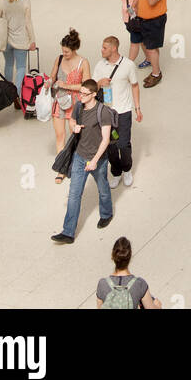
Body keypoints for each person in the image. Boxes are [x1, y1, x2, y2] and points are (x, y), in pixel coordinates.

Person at [50, 80, 114, 243]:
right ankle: (68, 232)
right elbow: (72, 121)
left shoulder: (103, 112)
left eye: (85, 93)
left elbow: (106, 140)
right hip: (79, 156)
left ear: (93, 95)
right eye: (81, 92)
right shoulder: (79, 106)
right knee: (74, 194)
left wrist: (94, 161)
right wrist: (74, 126)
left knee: (103, 188)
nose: (81, 96)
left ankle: (106, 214)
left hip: (97, 159)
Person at [93, 36, 141, 190]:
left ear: (114, 48)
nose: (102, 50)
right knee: (110, 145)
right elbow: (92, 86)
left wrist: (137, 108)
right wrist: (100, 83)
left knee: (123, 144)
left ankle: (127, 169)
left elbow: (134, 85)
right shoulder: (100, 65)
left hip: (124, 111)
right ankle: (116, 172)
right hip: (106, 113)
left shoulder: (128, 65)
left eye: (104, 48)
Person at [50, 29, 91, 170]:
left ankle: (75, 165)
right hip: (60, 101)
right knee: (59, 135)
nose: (64, 54)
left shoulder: (83, 63)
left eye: (67, 52)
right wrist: (49, 82)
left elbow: (86, 86)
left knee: (76, 135)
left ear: (74, 50)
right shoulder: (59, 59)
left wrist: (66, 85)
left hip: (76, 103)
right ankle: (61, 167)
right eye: (63, 51)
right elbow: (53, 76)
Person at [0, 0, 36, 90]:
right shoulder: (26, 1)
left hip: (6, 40)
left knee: (8, 64)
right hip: (21, 40)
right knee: (21, 67)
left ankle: (8, 92)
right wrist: (32, 40)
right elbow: (28, 23)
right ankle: (16, 95)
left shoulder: (2, 1)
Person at [97, 236, 161, 308]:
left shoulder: (102, 284)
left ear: (113, 256)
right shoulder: (139, 284)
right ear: (130, 257)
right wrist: (158, 305)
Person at [136, 0, 166, 87]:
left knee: (152, 48)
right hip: (143, 19)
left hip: (155, 21)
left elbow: (152, 1)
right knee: (146, 44)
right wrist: (133, 8)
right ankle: (153, 66)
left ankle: (156, 73)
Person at [122, 0, 144, 65]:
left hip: (137, 19)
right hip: (128, 18)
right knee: (142, 41)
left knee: (134, 42)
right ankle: (149, 59)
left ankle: (128, 64)